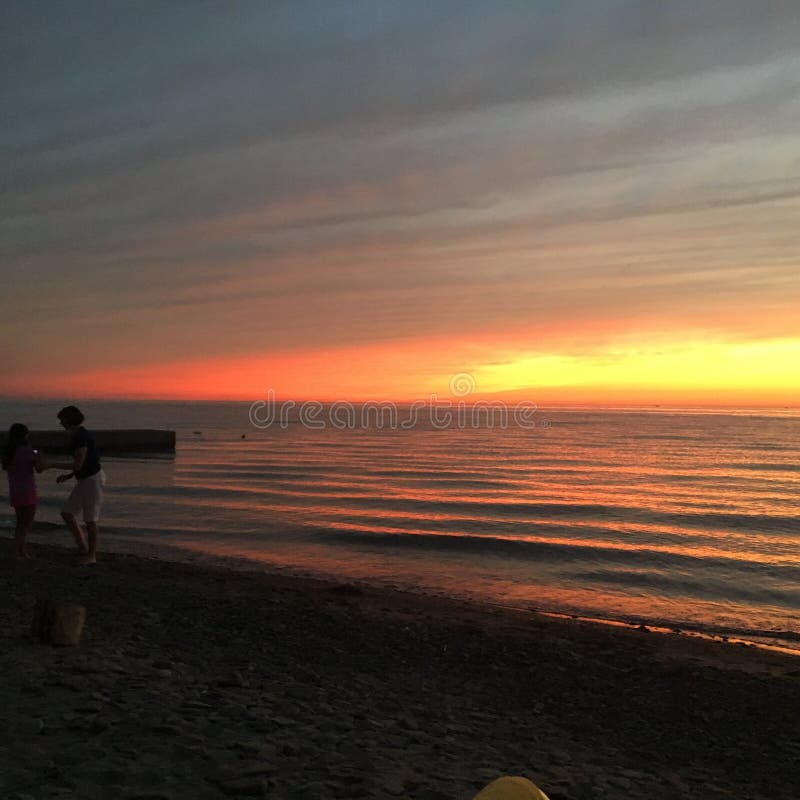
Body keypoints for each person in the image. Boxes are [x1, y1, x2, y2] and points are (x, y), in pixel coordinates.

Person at [55, 405, 105, 564]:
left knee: (90, 519)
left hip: (92, 480)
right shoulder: (78, 435)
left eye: (62, 419)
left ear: (69, 419)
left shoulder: (81, 436)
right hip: (84, 479)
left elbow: (78, 464)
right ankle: (82, 547)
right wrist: (69, 475)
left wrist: (50, 464)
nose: (60, 423)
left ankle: (91, 555)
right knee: (67, 513)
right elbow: (81, 464)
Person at [3, 423, 47, 559]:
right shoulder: (27, 450)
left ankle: (22, 550)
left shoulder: (9, 452)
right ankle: (17, 551)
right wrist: (39, 455)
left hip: (15, 490)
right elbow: (39, 469)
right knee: (26, 523)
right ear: (25, 435)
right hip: (27, 490)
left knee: (20, 522)